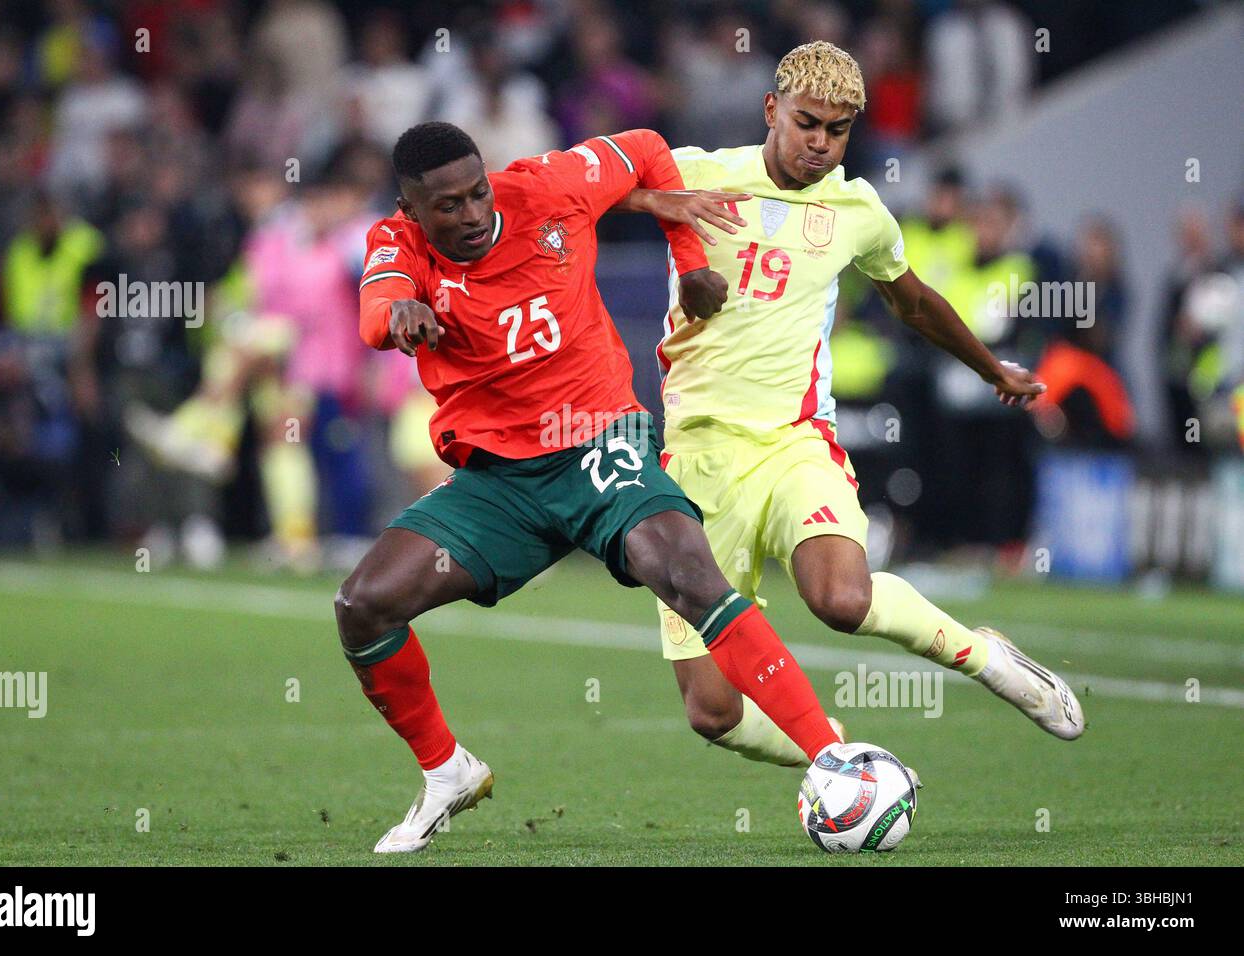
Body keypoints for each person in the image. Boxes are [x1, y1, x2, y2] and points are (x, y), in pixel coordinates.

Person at [338, 121, 876, 852]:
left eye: (477, 194)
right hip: (503, 481)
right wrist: (398, 314)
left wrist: (688, 257)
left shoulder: (550, 186)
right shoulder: (396, 245)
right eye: (448, 207)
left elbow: (650, 147)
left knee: (685, 569)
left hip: (598, 438)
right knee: (363, 605)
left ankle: (830, 756)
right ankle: (448, 771)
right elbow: (379, 306)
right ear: (412, 208)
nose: (470, 215)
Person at [618, 42, 1083, 770]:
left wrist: (996, 369)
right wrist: (651, 197)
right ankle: (842, 761)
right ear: (771, 110)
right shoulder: (699, 172)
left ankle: (984, 658)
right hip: (696, 464)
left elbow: (916, 303)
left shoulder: (856, 208)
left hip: (795, 442)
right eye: (806, 123)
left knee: (840, 597)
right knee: (713, 711)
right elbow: (577, 193)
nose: (820, 143)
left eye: (838, 131)